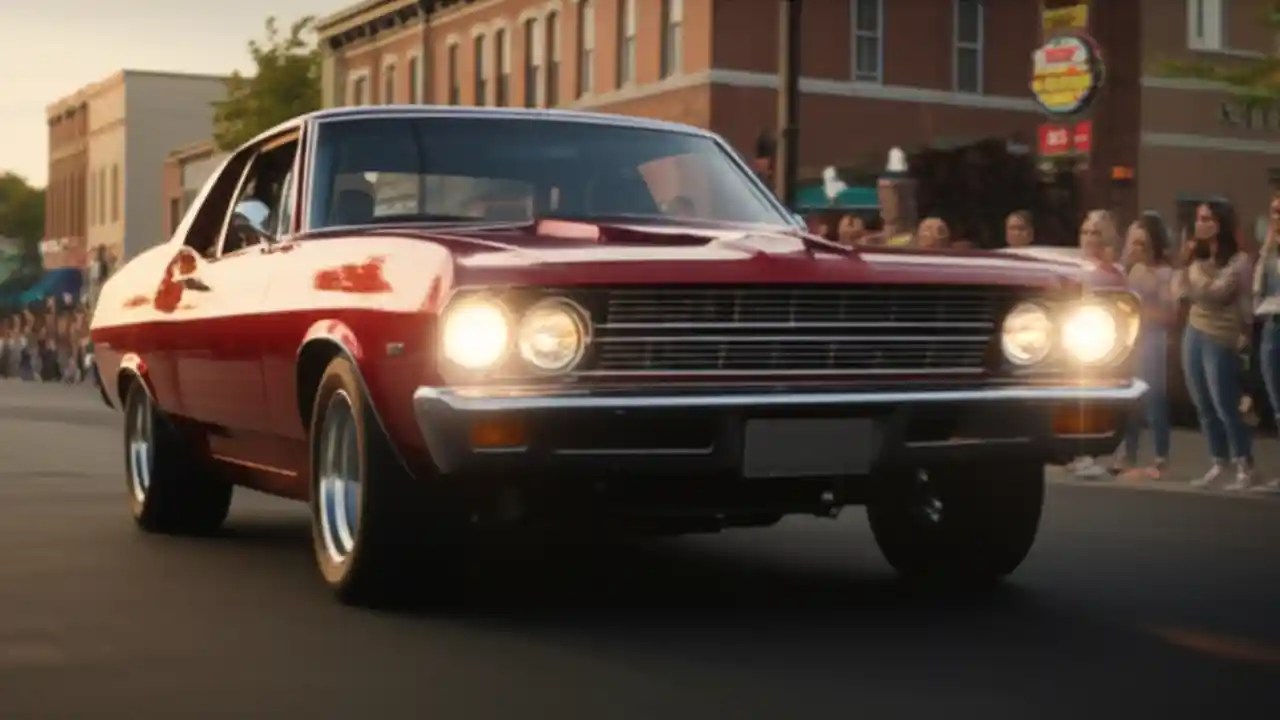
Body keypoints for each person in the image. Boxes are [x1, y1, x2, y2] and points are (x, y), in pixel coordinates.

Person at [1174, 202, 1256, 490]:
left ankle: (1244, 463)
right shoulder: (1194, 259)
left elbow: (1217, 294)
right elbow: (1180, 292)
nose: (1200, 224)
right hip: (1194, 330)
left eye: (1206, 218)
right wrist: (1186, 267)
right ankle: (1219, 460)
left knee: (1225, 402)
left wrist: (1193, 276)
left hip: (1221, 334)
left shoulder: (1239, 261)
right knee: (1202, 402)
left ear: (1219, 223)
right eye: (1198, 218)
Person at [1110, 214, 1175, 479]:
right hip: (1131, 338)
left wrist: (1142, 312)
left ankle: (1161, 455)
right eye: (1133, 244)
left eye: (1141, 244)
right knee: (1130, 398)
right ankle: (1128, 452)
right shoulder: (1133, 271)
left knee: (1154, 396)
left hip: (1153, 337)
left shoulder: (1165, 274)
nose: (1136, 249)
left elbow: (1170, 313)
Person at [1071, 210, 1124, 478]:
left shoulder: (1117, 271)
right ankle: (1081, 454)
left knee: (1102, 398)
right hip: (1077, 338)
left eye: (1096, 233)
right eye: (1086, 232)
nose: (1090, 238)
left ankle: (1106, 452)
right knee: (1081, 398)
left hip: (1106, 340)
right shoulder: (1071, 269)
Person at [1251, 191, 1280, 493]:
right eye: (1274, 211)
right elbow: (1258, 290)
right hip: (1271, 326)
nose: (1277, 217)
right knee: (1276, 402)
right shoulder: (1269, 252)